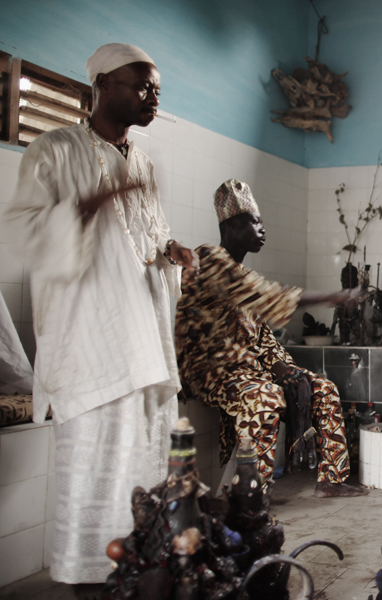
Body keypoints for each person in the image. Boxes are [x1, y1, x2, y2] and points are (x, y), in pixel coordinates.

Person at [1, 43, 199, 591]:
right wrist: (82, 210)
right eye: (140, 85)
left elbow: (148, 242)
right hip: (90, 349)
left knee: (141, 469)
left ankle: (139, 568)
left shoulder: (144, 162)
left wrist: (172, 253)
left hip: (144, 345)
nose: (151, 96)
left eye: (157, 88)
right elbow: (23, 231)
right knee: (94, 473)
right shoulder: (53, 149)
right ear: (101, 85)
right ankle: (88, 578)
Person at [175, 179, 367, 498]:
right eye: (255, 222)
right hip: (211, 374)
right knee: (265, 399)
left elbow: (263, 336)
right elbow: (268, 296)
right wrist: (337, 295)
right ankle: (252, 497)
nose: (262, 229)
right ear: (233, 224)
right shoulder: (208, 260)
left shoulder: (241, 277)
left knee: (323, 390)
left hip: (249, 373)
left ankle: (330, 481)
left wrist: (282, 367)